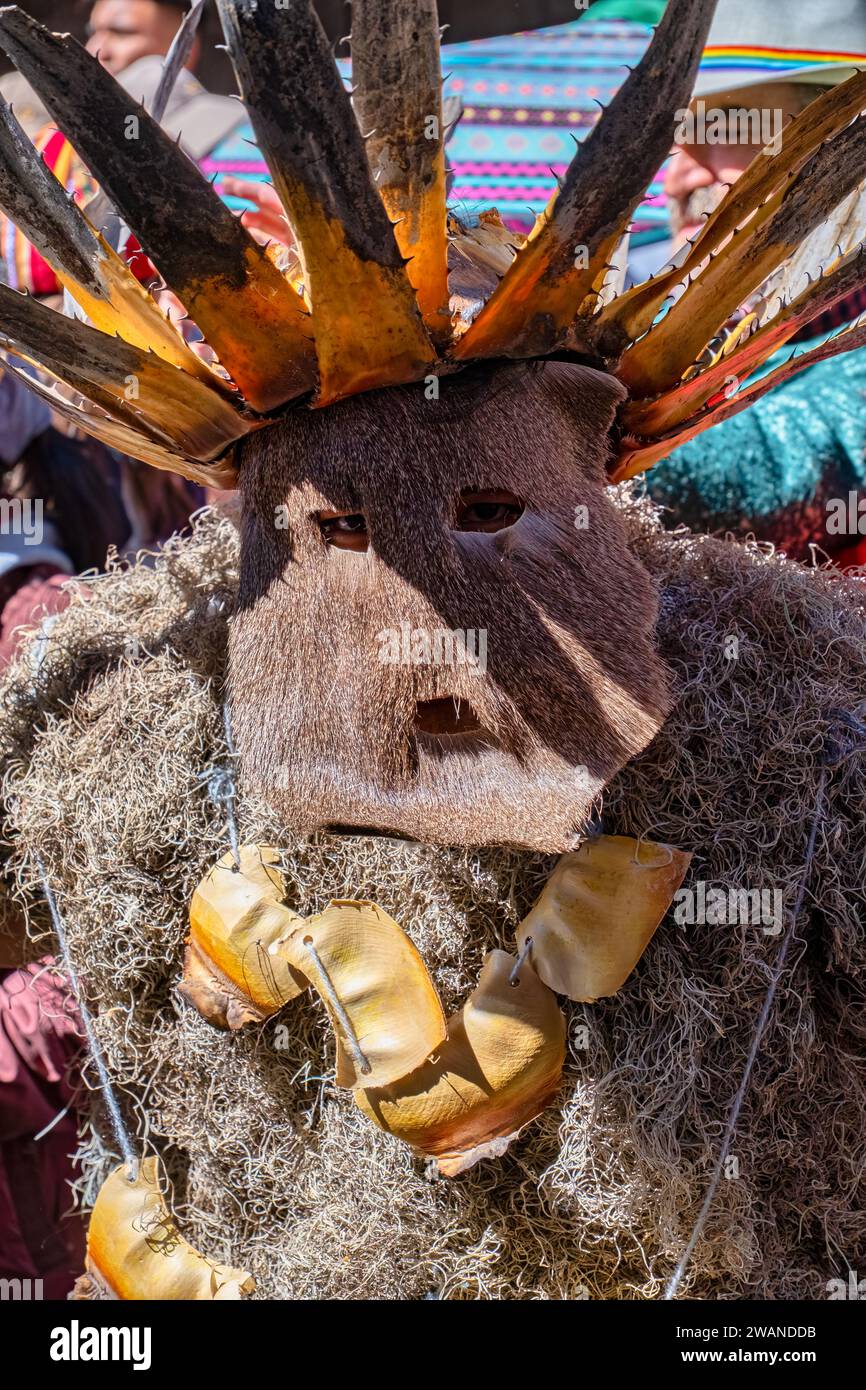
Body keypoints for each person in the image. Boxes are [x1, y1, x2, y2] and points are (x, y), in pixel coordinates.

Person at [646, 0, 866, 562]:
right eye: (679, 134)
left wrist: (534, 434)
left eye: (724, 124)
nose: (679, 176)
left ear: (846, 150)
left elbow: (776, 473)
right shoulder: (668, 341)